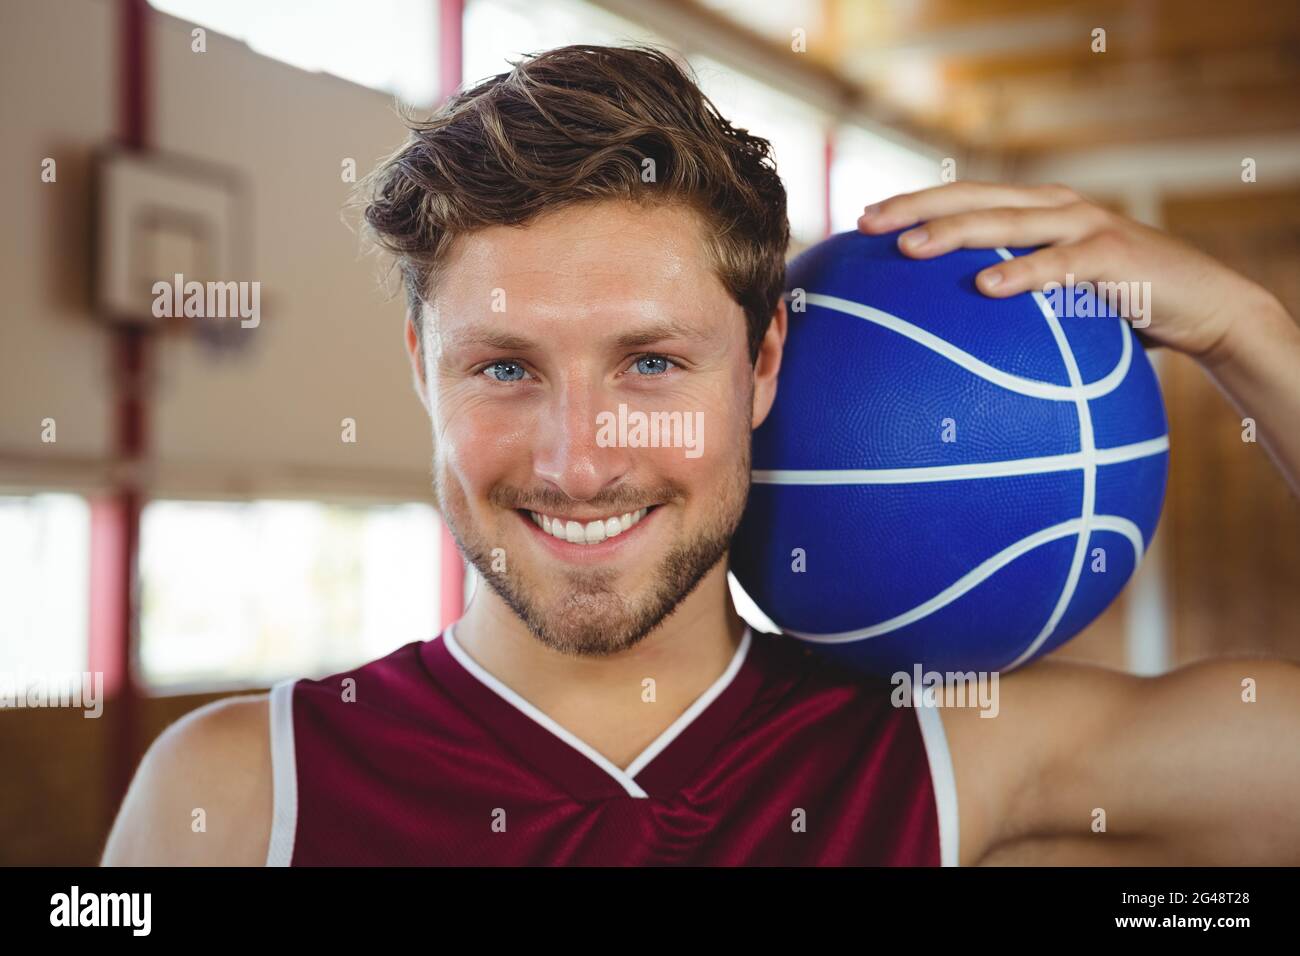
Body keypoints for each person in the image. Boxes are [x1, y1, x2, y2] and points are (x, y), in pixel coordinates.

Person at [102, 45, 1300, 866]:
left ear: (762, 357)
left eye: (652, 364)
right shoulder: (238, 796)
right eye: (505, 367)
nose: (578, 462)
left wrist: (1253, 333)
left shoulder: (939, 746)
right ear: (422, 364)